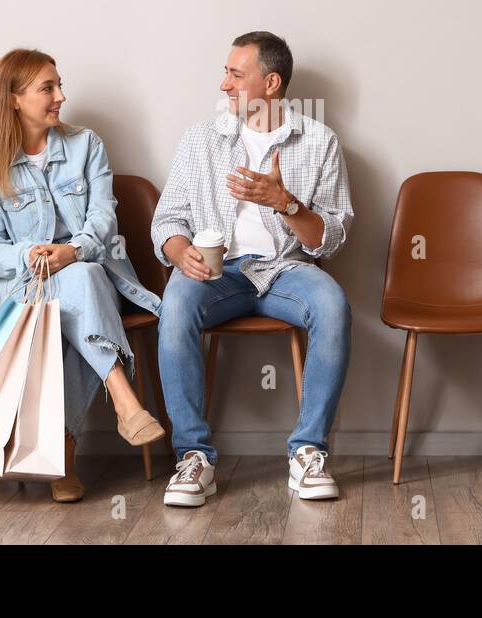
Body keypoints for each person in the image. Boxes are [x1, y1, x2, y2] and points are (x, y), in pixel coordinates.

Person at [151, 31, 354, 506]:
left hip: (286, 270)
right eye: (225, 71)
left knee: (333, 305)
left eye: (235, 74)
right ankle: (193, 460)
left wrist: (286, 204)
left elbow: (333, 237)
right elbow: (168, 219)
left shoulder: (320, 141)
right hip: (217, 273)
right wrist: (181, 252)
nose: (223, 84)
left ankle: (308, 452)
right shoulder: (202, 139)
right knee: (175, 304)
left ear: (271, 82)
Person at [0, 48, 165, 502]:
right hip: (25, 292)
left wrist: (71, 251)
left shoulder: (86, 145)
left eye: (59, 84)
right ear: (14, 99)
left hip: (89, 277)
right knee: (77, 298)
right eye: (47, 88)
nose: (61, 96)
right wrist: (32, 255)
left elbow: (103, 219)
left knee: (82, 282)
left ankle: (63, 460)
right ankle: (124, 399)